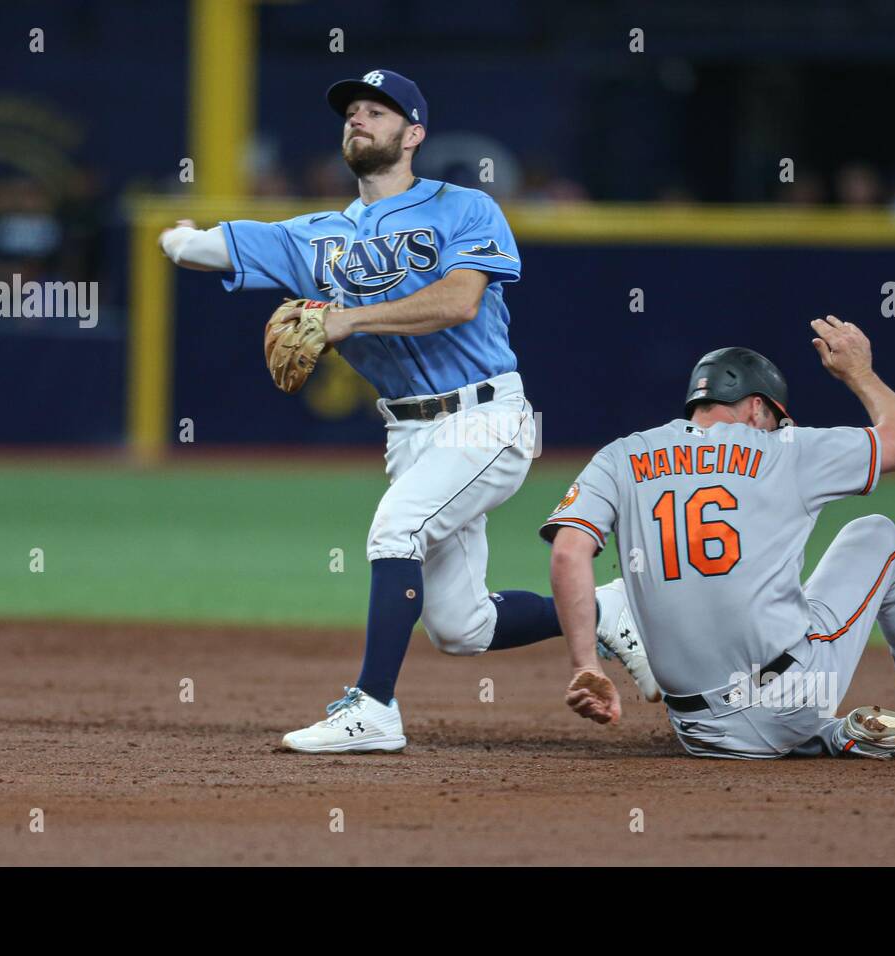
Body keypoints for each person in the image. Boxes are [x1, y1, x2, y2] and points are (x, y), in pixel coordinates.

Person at [158, 69, 657, 754]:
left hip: (486, 417)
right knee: (462, 627)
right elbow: (208, 247)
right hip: (410, 433)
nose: (358, 118)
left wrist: (346, 320)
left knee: (396, 527)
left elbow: (458, 301)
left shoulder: (464, 207)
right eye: (352, 111)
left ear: (413, 133)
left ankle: (374, 708)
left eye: (377, 110)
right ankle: (606, 609)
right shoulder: (313, 236)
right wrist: (178, 240)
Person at [543, 318, 895, 759]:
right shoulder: (784, 450)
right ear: (756, 408)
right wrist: (858, 373)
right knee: (878, 535)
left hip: (696, 730)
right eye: (776, 418)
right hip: (788, 695)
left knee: (637, 590)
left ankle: (831, 735)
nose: (778, 427)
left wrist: (585, 666)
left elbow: (568, 553)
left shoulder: (620, 455)